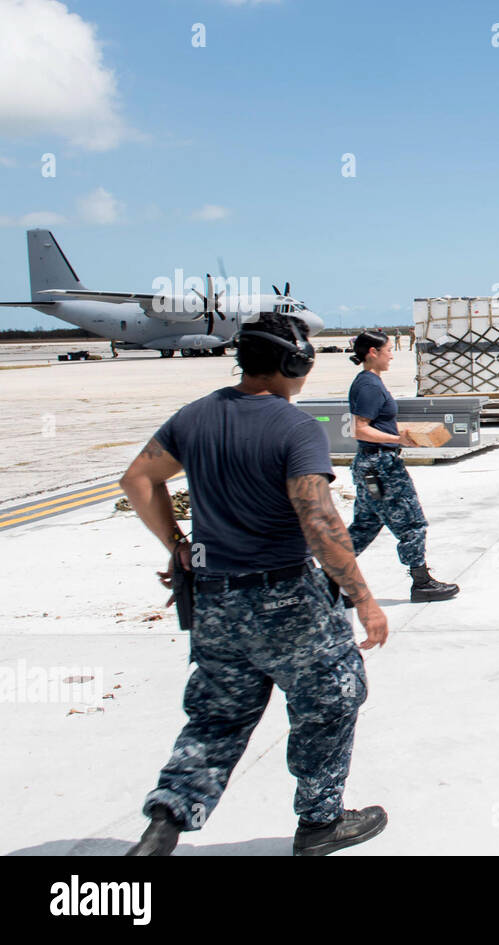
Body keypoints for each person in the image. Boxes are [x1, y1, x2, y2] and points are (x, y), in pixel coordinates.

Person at [118, 311, 389, 857]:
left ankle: (168, 815)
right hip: (286, 599)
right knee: (330, 700)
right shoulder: (295, 429)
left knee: (217, 716)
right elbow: (319, 522)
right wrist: (364, 599)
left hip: (216, 603)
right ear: (296, 363)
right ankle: (320, 821)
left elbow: (138, 481)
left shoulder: (193, 417)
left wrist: (178, 545)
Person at [346, 330, 459, 602]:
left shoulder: (368, 382)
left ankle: (327, 583)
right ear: (372, 353)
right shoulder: (369, 386)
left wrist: (410, 433)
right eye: (387, 350)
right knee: (412, 522)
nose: (391, 355)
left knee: (364, 526)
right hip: (382, 466)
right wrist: (398, 439)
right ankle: (421, 582)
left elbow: (376, 426)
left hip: (370, 464)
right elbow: (360, 429)